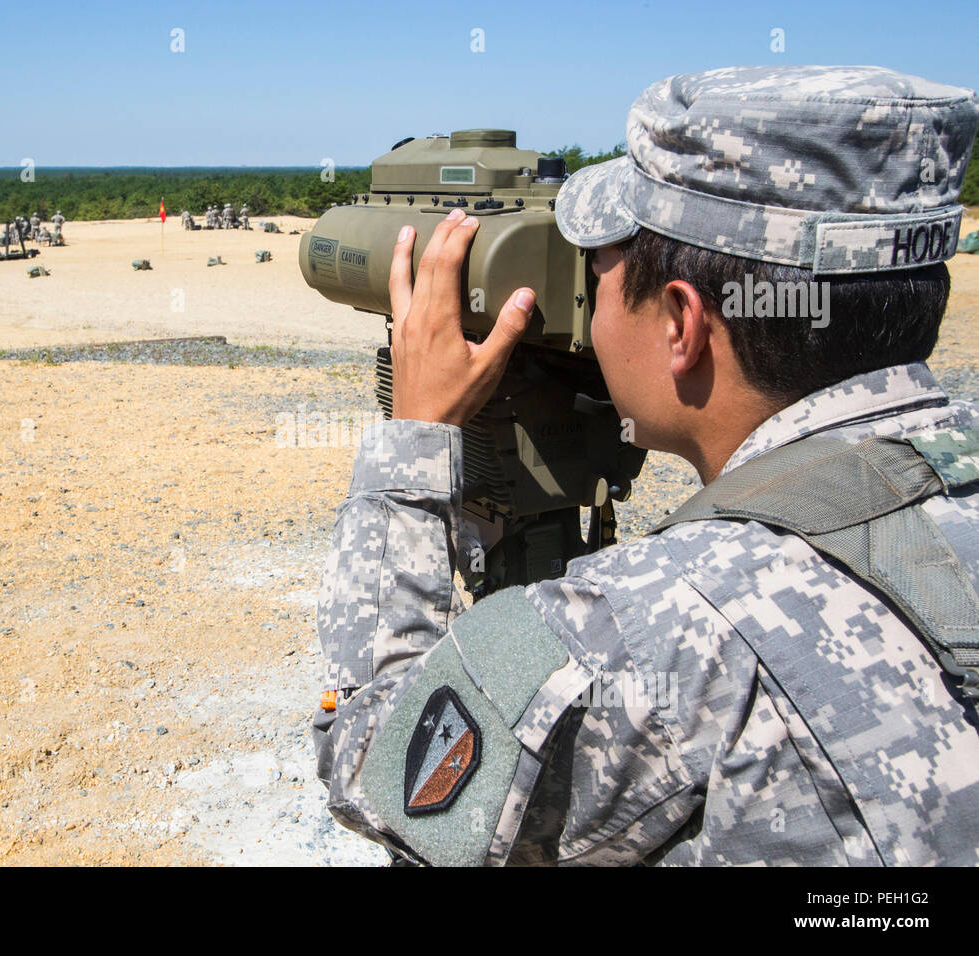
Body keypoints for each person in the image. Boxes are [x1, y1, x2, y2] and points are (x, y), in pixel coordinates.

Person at [313, 65, 979, 866]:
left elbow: (380, 766)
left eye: (599, 265)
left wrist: (415, 440)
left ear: (681, 324)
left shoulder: (646, 632)